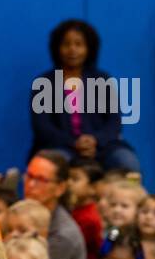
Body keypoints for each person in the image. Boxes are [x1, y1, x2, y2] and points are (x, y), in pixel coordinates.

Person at [29, 19, 141, 172]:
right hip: (60, 147)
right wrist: (74, 142)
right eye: (66, 44)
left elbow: (114, 122)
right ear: (57, 48)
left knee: (127, 161)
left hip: (102, 148)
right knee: (52, 167)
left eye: (79, 44)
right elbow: (42, 127)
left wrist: (95, 140)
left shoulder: (102, 80)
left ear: (89, 48)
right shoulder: (44, 83)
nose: (72, 50)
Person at [24, 150, 88, 259]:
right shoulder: (21, 213)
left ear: (60, 188)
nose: (31, 184)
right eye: (29, 176)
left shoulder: (63, 234)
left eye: (41, 179)